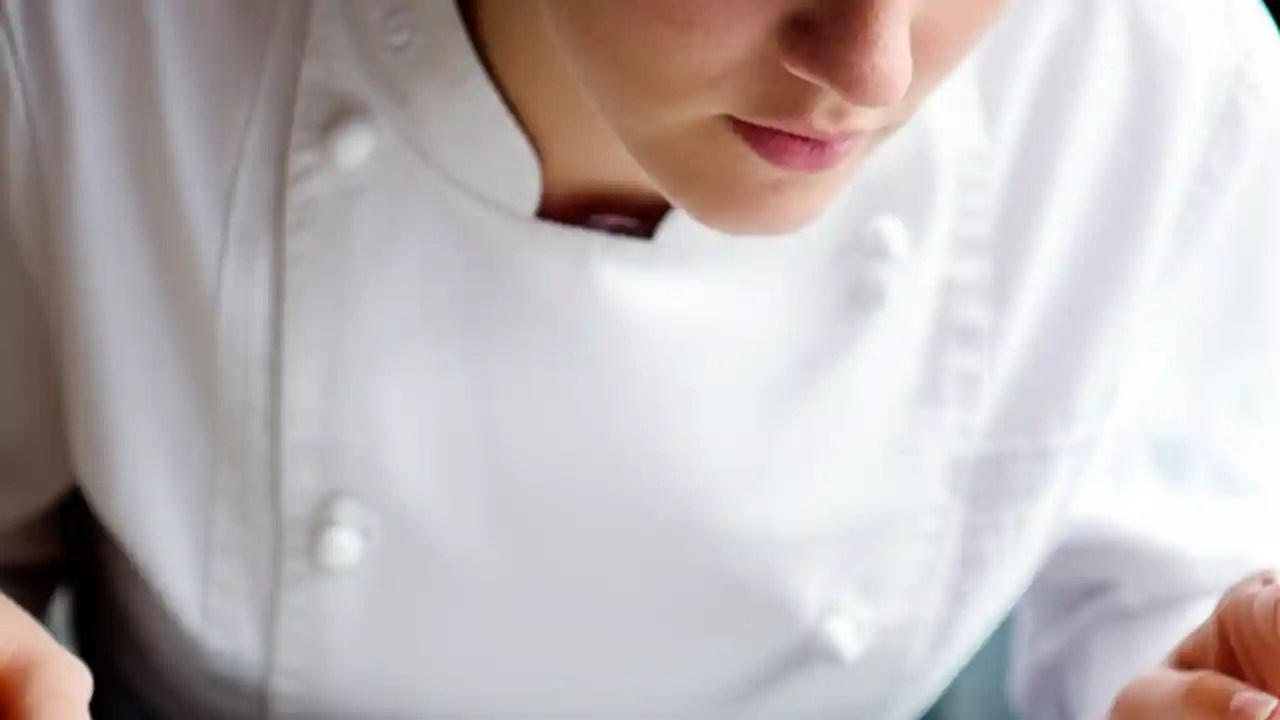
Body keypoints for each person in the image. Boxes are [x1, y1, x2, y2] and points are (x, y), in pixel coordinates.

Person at [1, 0, 1278, 717]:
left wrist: (1189, 688)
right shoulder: (85, 42)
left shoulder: (1159, 79)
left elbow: (1155, 602)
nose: (868, 69)